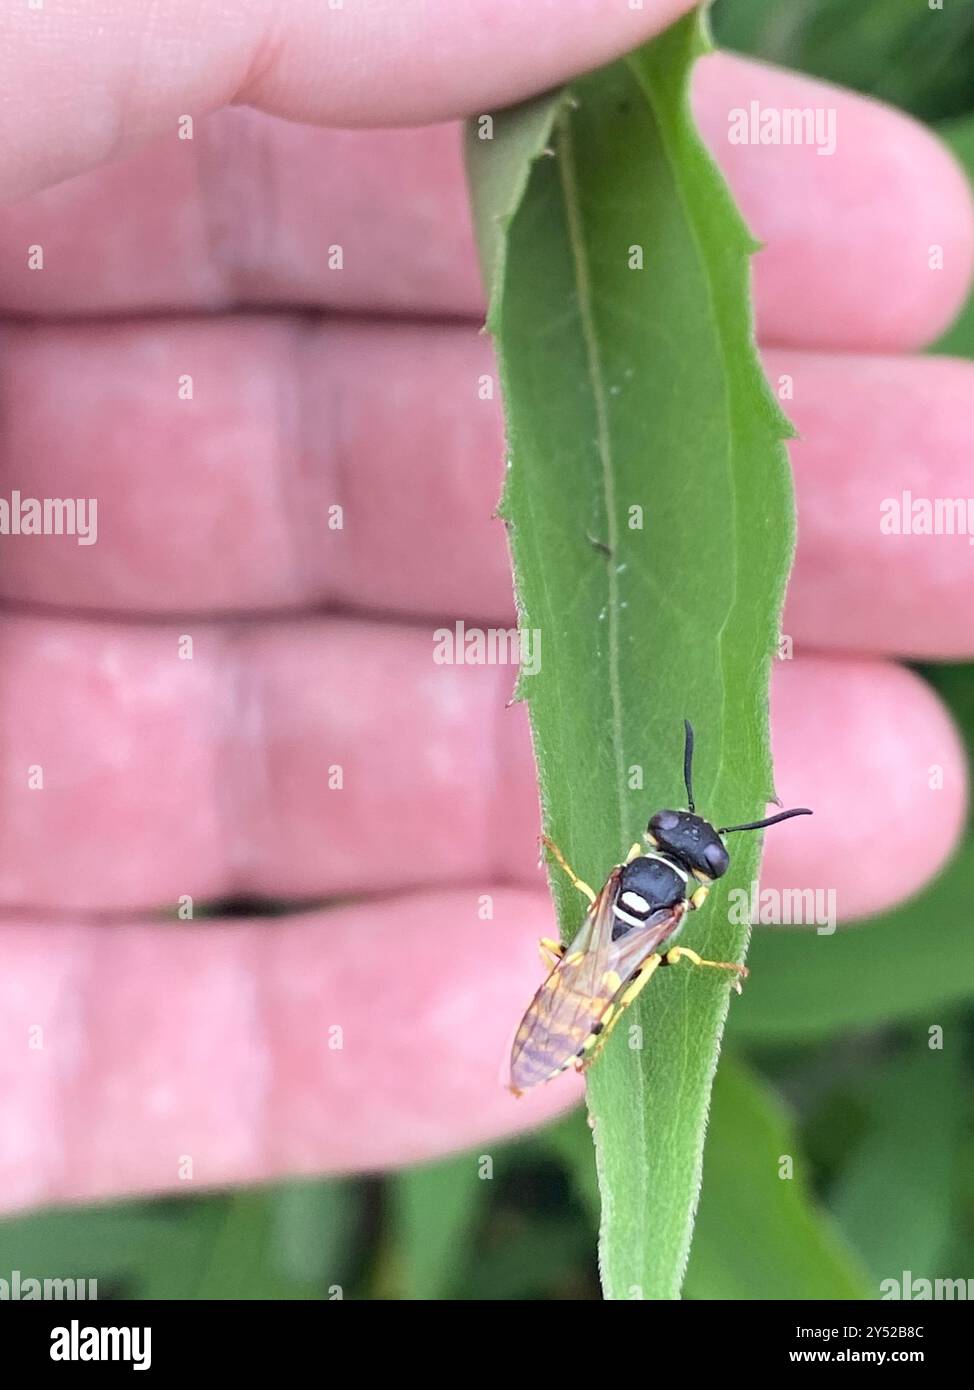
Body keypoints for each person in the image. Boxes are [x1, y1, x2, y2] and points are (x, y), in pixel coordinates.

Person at [0, 0, 971, 1210]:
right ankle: (552, 1057)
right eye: (686, 842)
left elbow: (613, 925)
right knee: (599, 979)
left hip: (566, 1005)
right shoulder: (655, 901)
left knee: (596, 981)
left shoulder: (631, 893)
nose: (674, 841)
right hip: (570, 994)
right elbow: (629, 930)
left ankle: (551, 1057)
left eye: (681, 844)